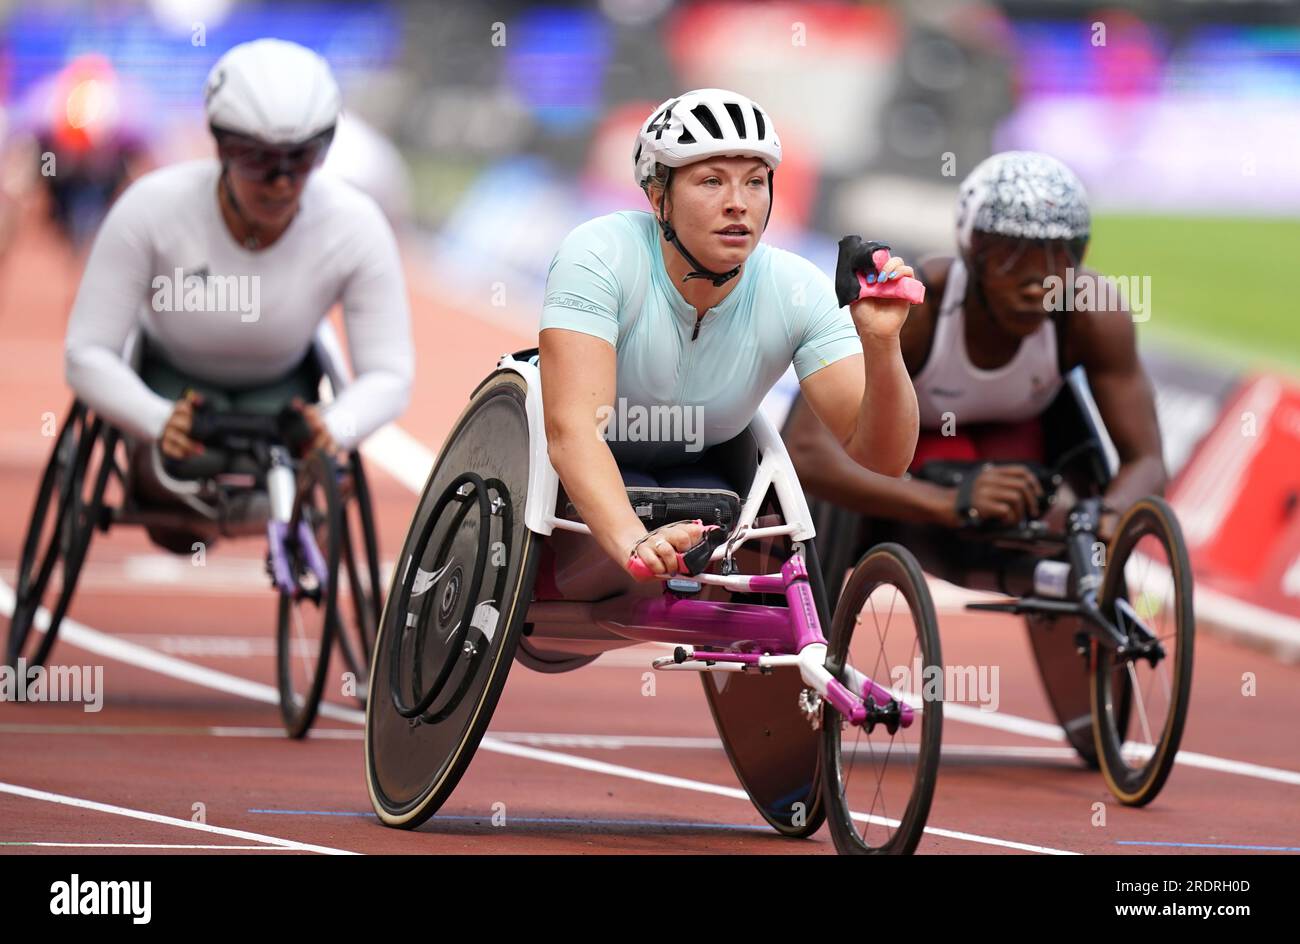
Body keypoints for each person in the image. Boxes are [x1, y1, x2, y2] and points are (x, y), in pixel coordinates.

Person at [538, 88, 920, 580]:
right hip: (587, 471)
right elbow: (572, 432)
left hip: (704, 474)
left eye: (755, 182)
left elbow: (883, 457)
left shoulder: (797, 288)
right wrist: (636, 541)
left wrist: (882, 343)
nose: (738, 204)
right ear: (659, 199)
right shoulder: (599, 253)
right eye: (712, 181)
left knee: (754, 537)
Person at [63, 38, 413, 549]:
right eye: (258, 160)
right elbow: (85, 354)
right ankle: (165, 481)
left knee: (291, 464)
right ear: (223, 148)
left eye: (303, 158)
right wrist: (156, 420)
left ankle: (254, 495)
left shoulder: (356, 226)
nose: (280, 183)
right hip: (170, 384)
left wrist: (335, 426)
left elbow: (390, 375)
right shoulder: (149, 210)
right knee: (181, 471)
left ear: (326, 148)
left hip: (283, 391)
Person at [778, 151, 1166, 590]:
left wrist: (1102, 518)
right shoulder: (921, 311)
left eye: (1060, 257)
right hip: (898, 466)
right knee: (809, 508)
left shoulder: (1091, 314)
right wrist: (949, 502)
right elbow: (807, 452)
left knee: (1084, 538)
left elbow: (1147, 461)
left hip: (1008, 455)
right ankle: (807, 642)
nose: (1039, 279)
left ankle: (1094, 631)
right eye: (1012, 257)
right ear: (973, 252)